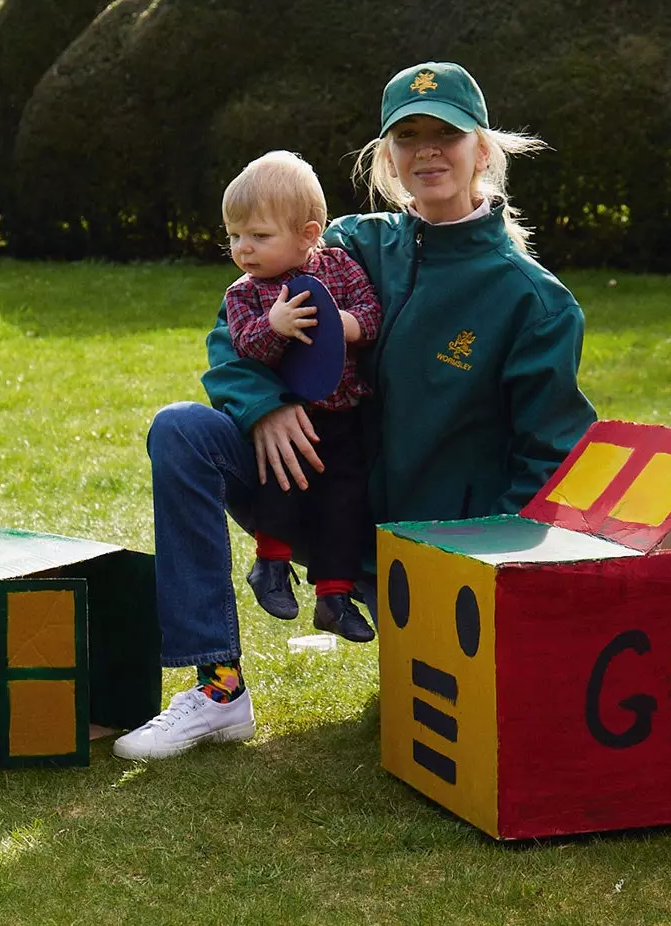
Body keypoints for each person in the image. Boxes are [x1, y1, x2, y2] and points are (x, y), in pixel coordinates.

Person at [113, 61, 597, 761]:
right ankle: (218, 689)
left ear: (482, 150)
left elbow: (551, 460)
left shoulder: (533, 300)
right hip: (315, 489)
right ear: (387, 157)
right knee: (182, 430)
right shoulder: (343, 245)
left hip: (432, 554)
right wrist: (265, 406)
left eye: (446, 135)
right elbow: (233, 330)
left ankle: (395, 616)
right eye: (409, 137)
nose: (428, 150)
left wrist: (490, 595)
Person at [220, 150, 381, 643]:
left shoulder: (340, 267)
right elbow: (244, 344)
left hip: (343, 414)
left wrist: (342, 325)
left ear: (308, 235)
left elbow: (371, 315)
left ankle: (334, 595)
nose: (244, 249)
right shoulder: (245, 293)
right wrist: (275, 327)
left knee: (345, 500)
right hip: (290, 412)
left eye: (259, 236)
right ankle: (269, 565)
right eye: (234, 237)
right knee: (283, 482)